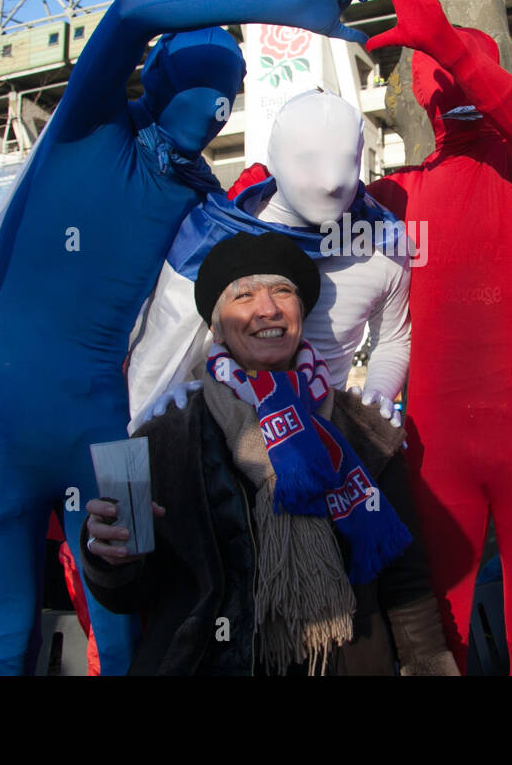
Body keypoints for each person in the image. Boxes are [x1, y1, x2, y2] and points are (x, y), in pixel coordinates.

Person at [0, 0, 375, 675]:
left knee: (125, 633)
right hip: (10, 432)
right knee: (5, 633)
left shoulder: (201, 192)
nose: (218, 110)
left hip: (107, 441)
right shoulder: (89, 133)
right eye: (209, 85)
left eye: (230, 96)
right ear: (159, 83)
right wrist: (281, 7)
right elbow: (132, 8)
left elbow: (275, 246)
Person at [81, 232, 456, 675]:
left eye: (283, 291)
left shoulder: (363, 428)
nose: (268, 309)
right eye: (244, 294)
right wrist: (109, 557)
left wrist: (429, 664)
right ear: (216, 326)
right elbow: (130, 596)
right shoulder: (169, 433)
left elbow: (405, 580)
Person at [364, 0, 512, 674]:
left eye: (460, 70)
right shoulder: (401, 194)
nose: (454, 86)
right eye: (443, 71)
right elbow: (313, 216)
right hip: (450, 453)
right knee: (440, 646)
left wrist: (448, 45)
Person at [127, 89, 410, 431]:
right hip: (222, 444)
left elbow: (394, 336)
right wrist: (163, 424)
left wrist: (376, 396)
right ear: (274, 159)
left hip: (326, 440)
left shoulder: (384, 241)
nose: (332, 181)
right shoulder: (211, 236)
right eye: (308, 159)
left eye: (345, 159)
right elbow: (157, 363)